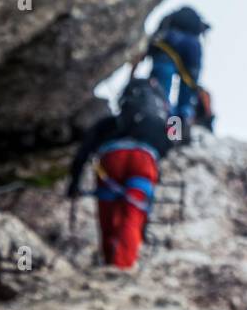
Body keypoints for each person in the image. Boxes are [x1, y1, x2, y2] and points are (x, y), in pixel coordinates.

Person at [66, 77, 173, 269]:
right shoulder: (159, 124)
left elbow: (83, 152)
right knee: (132, 214)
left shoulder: (108, 123)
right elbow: (175, 138)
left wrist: (74, 183)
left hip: (110, 162)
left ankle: (109, 262)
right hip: (144, 161)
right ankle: (122, 265)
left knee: (108, 218)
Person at [147, 6, 211, 136]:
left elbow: (153, 41)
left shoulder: (169, 23)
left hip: (166, 45)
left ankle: (162, 126)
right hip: (192, 50)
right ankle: (176, 133)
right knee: (185, 99)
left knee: (162, 94)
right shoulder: (195, 31)